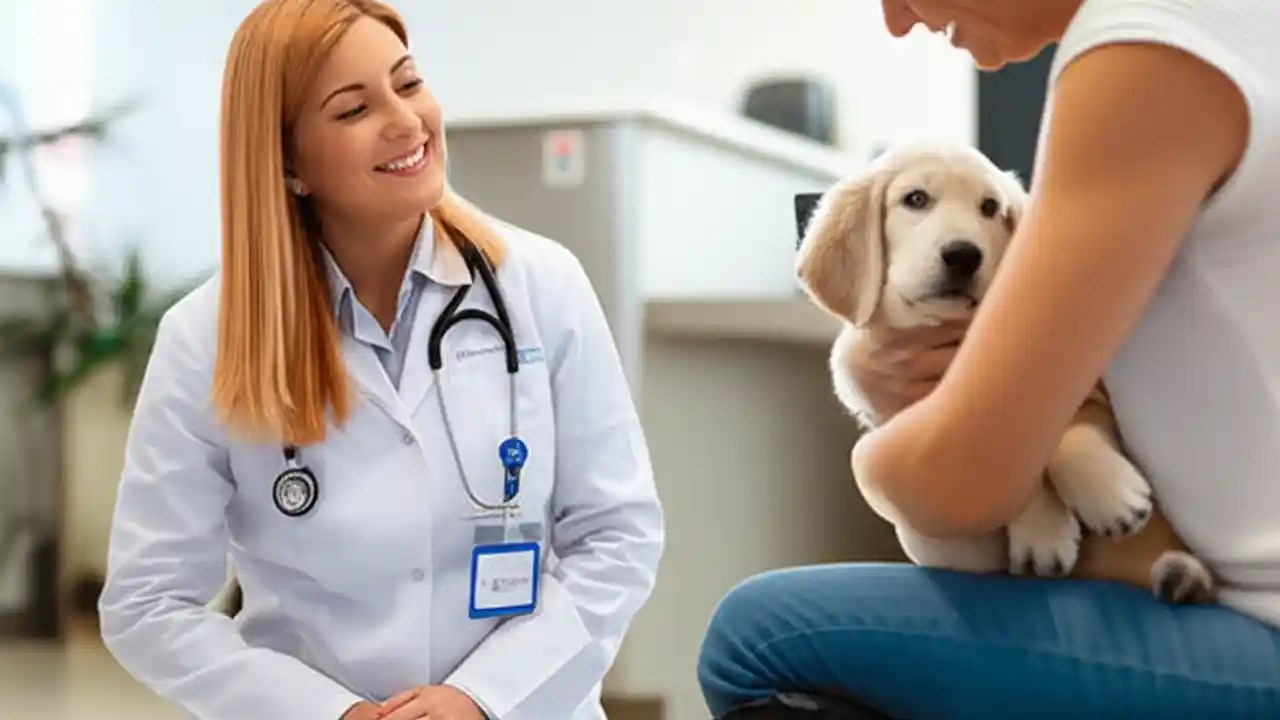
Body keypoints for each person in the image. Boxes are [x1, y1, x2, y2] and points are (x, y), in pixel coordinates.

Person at [698, 0, 1280, 717]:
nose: (895, 19)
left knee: (754, 635)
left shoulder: (1143, 45)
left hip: (1260, 627)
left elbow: (962, 489)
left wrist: (877, 441)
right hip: (1218, 588)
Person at [96, 2, 664, 719]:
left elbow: (618, 534)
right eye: (353, 108)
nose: (406, 121)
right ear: (288, 160)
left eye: (409, 83)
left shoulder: (541, 286)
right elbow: (147, 602)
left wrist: (481, 697)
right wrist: (330, 713)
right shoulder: (205, 338)